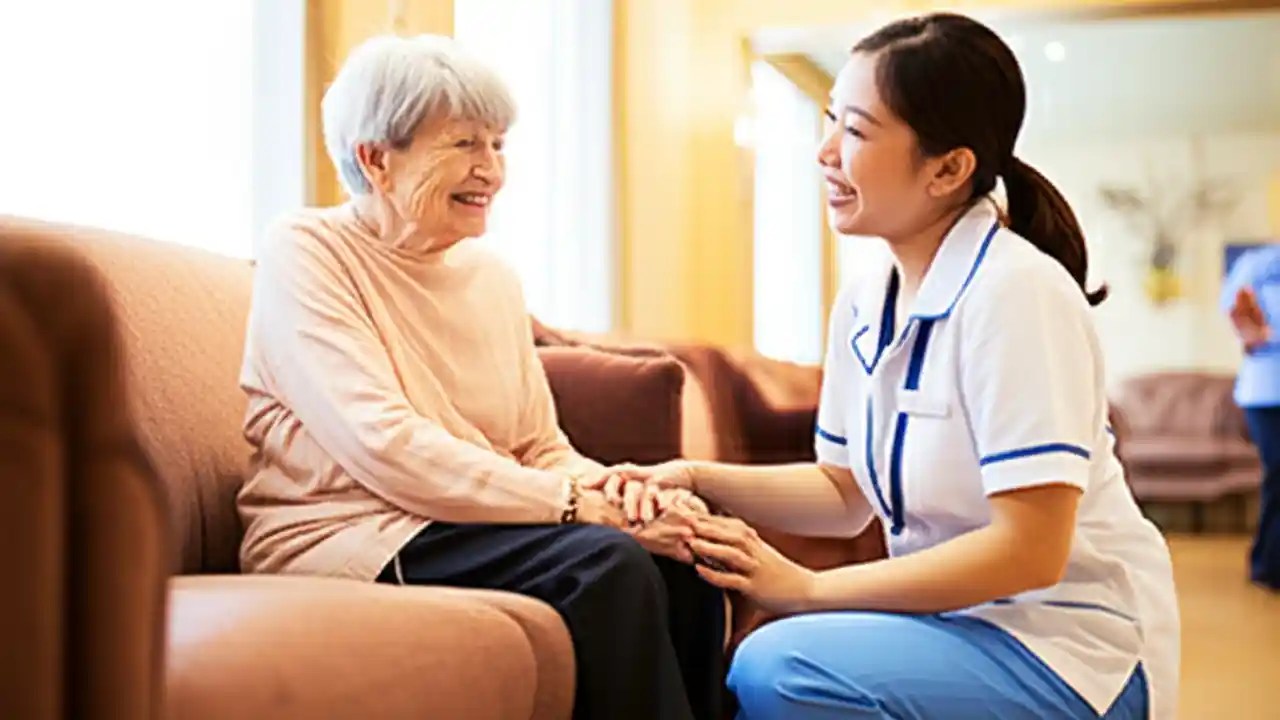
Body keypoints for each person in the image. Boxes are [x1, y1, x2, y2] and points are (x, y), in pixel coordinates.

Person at [599, 13, 1179, 720]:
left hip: (1067, 648)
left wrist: (806, 589)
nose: (825, 152)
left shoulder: (1017, 292)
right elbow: (845, 495)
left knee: (781, 667)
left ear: (949, 168)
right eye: (829, 120)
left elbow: (1032, 552)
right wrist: (693, 476)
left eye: (856, 131)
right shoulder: (865, 301)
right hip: (959, 628)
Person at [236, 34, 723, 720]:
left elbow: (539, 445)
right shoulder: (308, 252)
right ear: (376, 159)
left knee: (687, 550)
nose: (491, 170)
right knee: (606, 565)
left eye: (497, 145)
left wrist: (625, 492)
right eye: (464, 144)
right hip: (353, 532)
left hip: (463, 521)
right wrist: (573, 505)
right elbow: (383, 444)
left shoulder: (491, 277)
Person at [1222, 243, 1280, 591]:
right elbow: (1240, 317)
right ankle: (1266, 564)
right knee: (1278, 474)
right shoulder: (1257, 263)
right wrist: (1260, 335)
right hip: (1265, 393)